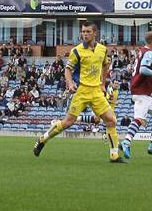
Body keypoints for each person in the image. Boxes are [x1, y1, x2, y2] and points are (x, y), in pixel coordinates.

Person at [32, 20, 122, 162]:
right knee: (68, 122)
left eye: (88, 32)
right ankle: (43, 139)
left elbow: (106, 65)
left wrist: (103, 84)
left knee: (111, 120)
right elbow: (68, 70)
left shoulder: (103, 50)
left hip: (97, 92)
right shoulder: (76, 51)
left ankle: (114, 156)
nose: (85, 34)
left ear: (95, 33)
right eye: (83, 32)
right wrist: (70, 83)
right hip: (82, 91)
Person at [120, 31, 152, 160]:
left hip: (143, 92)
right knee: (139, 119)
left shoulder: (142, 51)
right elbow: (143, 70)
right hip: (141, 91)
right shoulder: (150, 53)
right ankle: (126, 142)